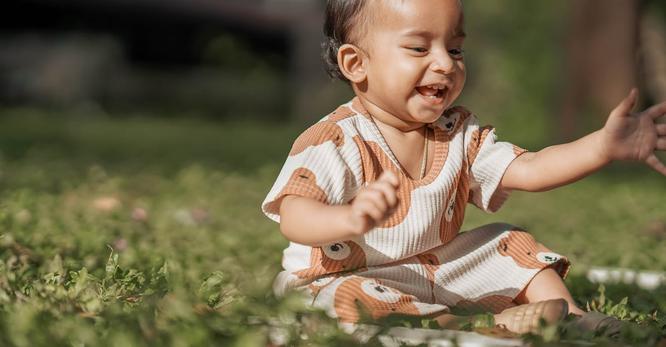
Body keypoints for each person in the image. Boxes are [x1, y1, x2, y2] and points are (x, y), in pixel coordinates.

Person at [261, 0, 666, 336]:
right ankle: (471, 326)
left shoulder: (456, 132)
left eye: (455, 49)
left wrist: (601, 146)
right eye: (419, 49)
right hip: (346, 274)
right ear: (356, 63)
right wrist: (348, 218)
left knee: (508, 242)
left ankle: (572, 318)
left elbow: (530, 169)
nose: (444, 64)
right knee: (345, 297)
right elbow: (294, 216)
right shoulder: (334, 139)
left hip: (436, 266)